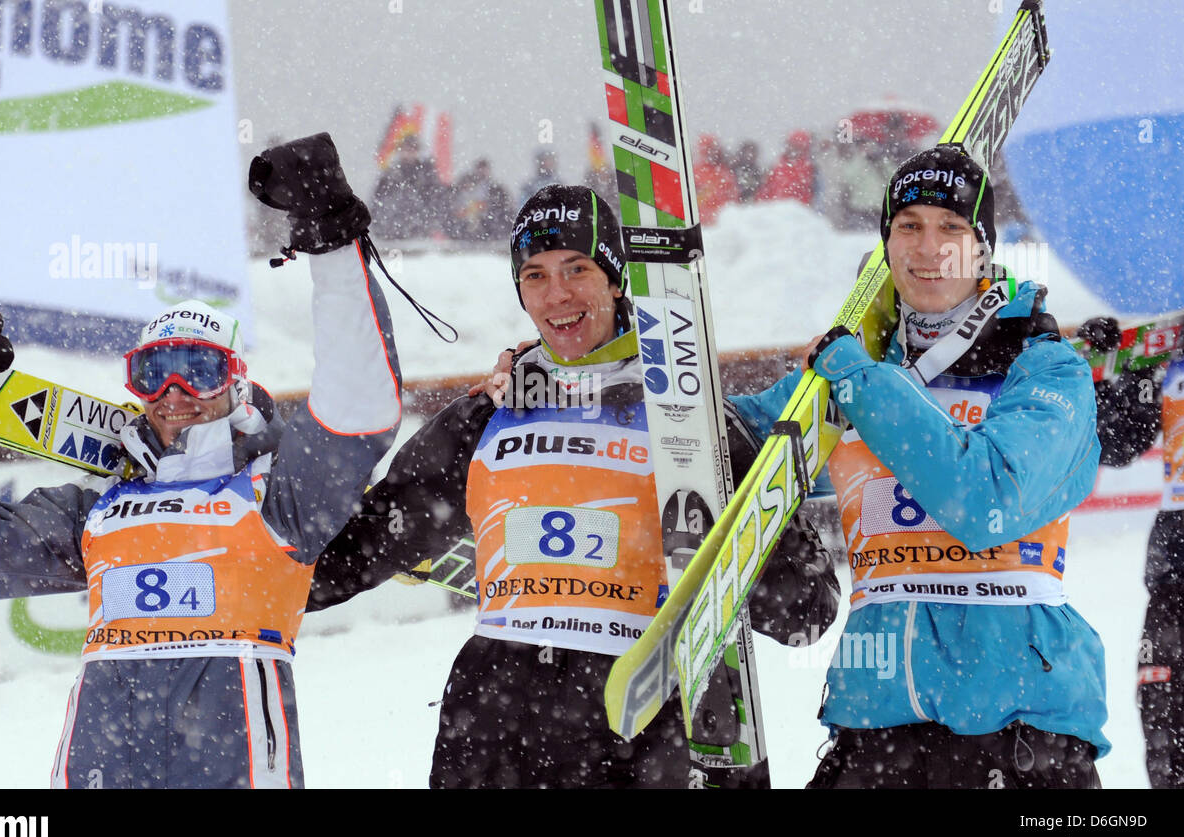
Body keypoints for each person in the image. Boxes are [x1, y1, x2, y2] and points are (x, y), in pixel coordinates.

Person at [0, 132, 402, 788]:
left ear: (237, 383)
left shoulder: (280, 497)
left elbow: (359, 410)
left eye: (198, 368)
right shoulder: (103, 508)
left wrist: (331, 236)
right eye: (153, 371)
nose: (173, 393)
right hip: (99, 770)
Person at [309, 184, 840, 789]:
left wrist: (723, 557)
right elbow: (343, 558)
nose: (556, 294)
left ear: (616, 279)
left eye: (577, 269)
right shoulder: (487, 415)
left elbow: (807, 606)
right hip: (494, 717)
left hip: (634, 715)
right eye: (534, 275)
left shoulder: (690, 419)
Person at [732, 145, 1109, 788]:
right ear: (885, 244)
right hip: (873, 732)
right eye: (908, 226)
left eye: (952, 228)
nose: (929, 247)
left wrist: (858, 379)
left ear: (983, 248)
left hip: (1019, 743)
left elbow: (985, 501)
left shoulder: (1048, 370)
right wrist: (557, 383)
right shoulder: (856, 373)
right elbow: (736, 437)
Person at [1077, 245, 1184, 788]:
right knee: (1165, 720)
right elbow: (1119, 441)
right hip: (1178, 568)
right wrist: (1106, 368)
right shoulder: (1175, 349)